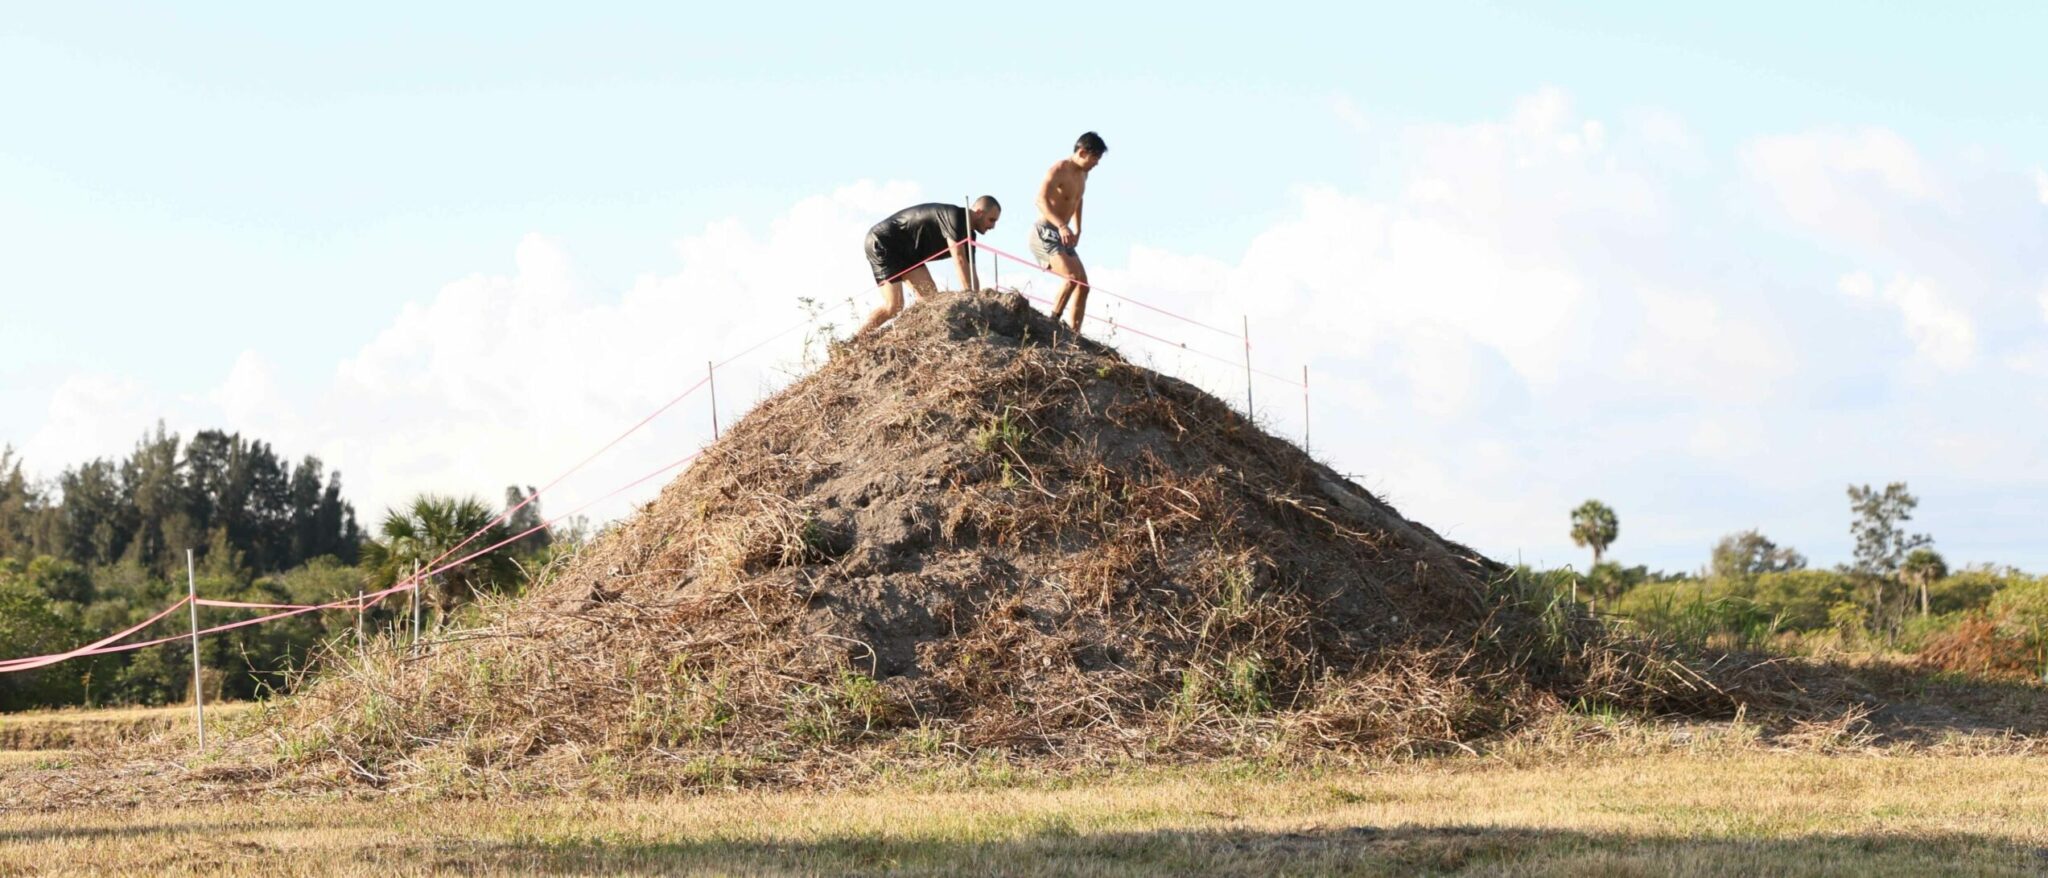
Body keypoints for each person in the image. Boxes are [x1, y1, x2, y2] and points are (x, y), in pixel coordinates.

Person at [857, 197, 1001, 335]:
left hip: (909, 253)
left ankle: (917, 334)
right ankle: (857, 339)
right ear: (979, 212)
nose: (993, 226)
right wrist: (970, 299)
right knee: (894, 306)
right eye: (991, 220)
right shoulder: (956, 217)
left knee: (930, 299)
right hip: (884, 240)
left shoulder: (970, 235)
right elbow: (959, 259)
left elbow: (970, 270)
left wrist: (978, 300)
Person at [1031, 131, 1106, 332]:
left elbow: (1077, 199)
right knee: (1071, 276)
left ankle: (1074, 335)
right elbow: (1040, 200)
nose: (1097, 163)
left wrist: (1078, 227)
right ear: (1082, 152)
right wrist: (1062, 225)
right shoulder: (1059, 169)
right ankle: (1052, 323)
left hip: (1064, 234)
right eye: (1095, 158)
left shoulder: (1083, 174)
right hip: (1046, 231)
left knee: (1083, 285)